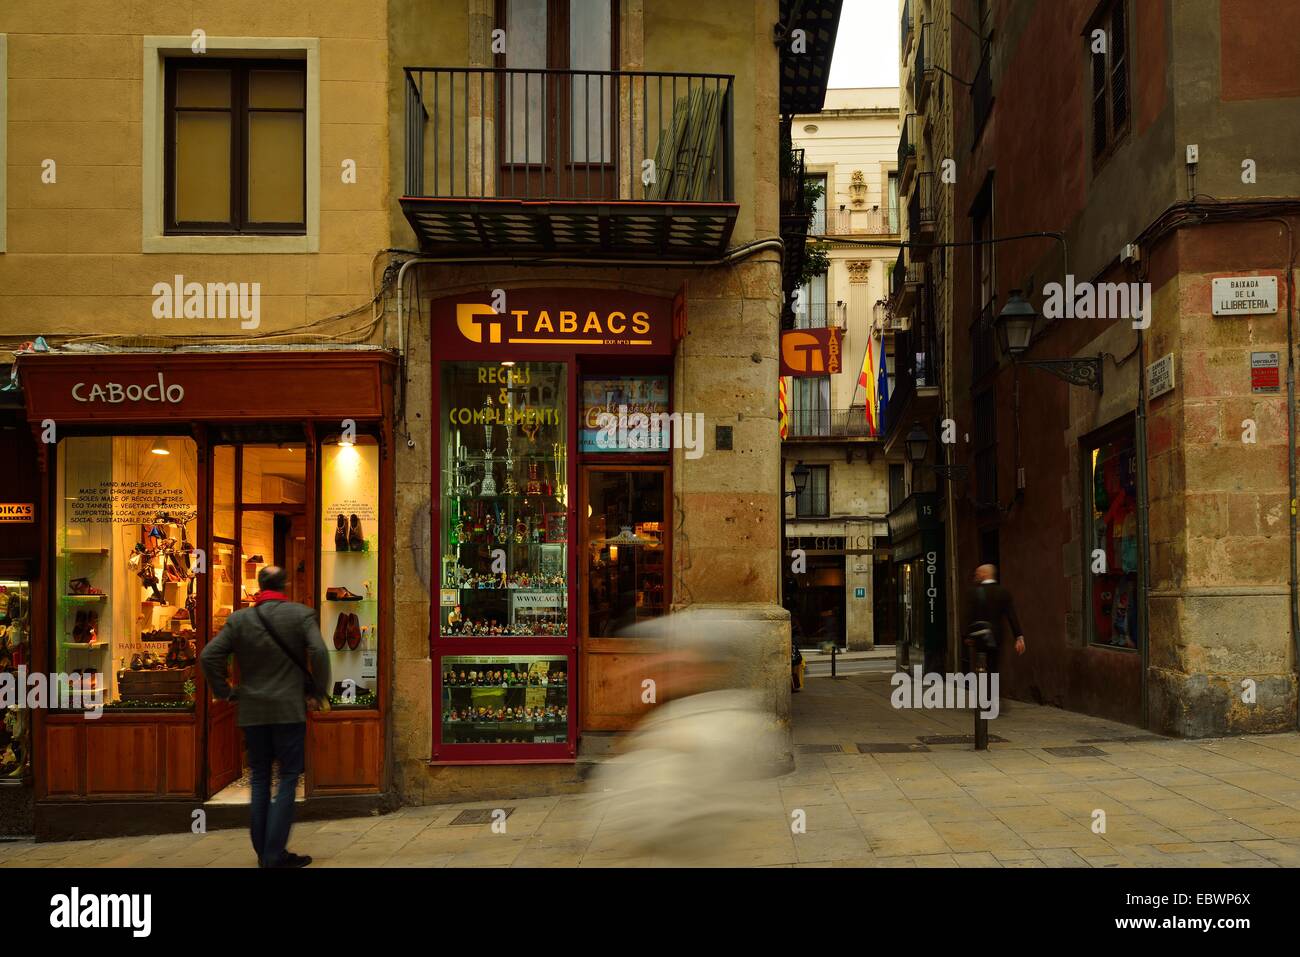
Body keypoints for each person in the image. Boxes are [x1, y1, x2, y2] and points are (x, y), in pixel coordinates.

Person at [200, 565, 330, 868]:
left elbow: (209, 655)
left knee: (259, 779)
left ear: (260, 585)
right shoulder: (301, 615)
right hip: (288, 710)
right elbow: (321, 653)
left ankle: (264, 853)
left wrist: (226, 689)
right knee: (287, 778)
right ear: (284, 585)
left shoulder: (239, 620)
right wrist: (317, 691)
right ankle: (274, 854)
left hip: (253, 711)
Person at [964, 563, 1025, 704]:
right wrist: (1019, 636)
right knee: (993, 667)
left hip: (979, 637)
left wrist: (967, 635)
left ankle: (983, 699)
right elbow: (1012, 616)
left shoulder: (974, 593)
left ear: (985, 574)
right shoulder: (1003, 592)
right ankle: (992, 700)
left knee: (980, 667)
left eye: (978, 573)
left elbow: (969, 616)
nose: (976, 576)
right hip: (996, 637)